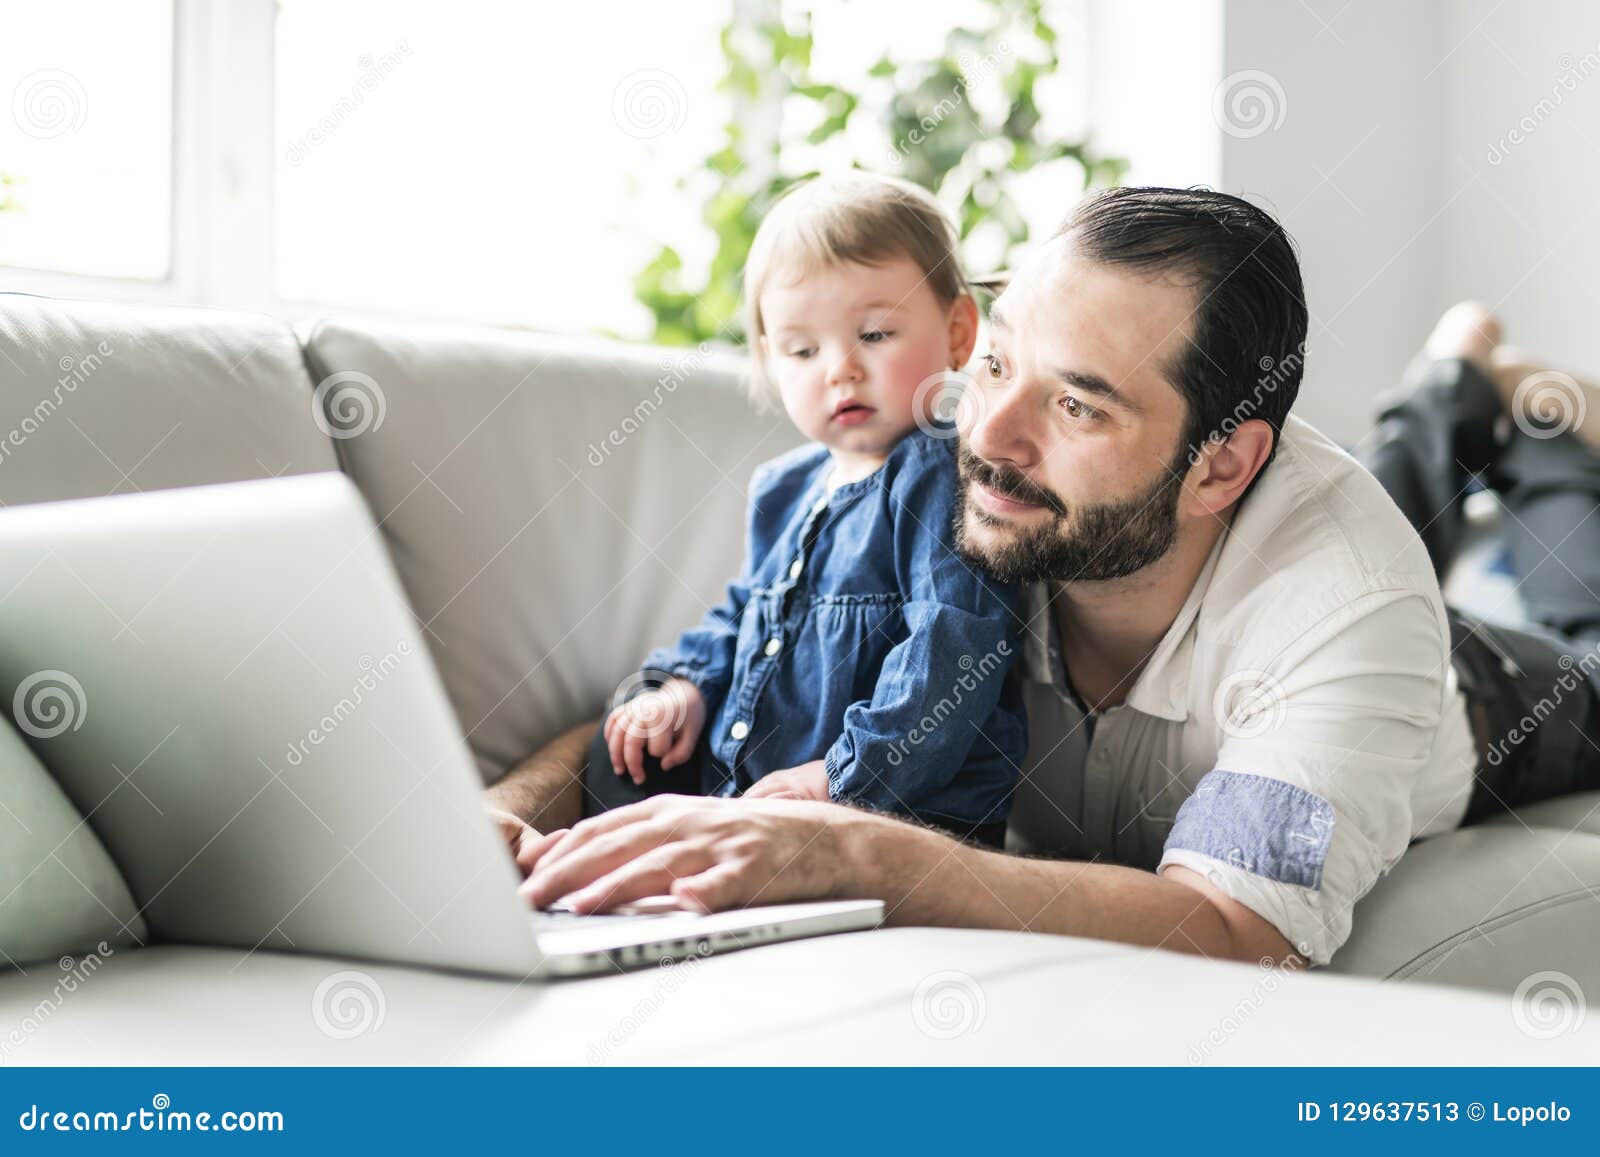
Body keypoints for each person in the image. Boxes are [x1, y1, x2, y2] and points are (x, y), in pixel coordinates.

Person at [488, 186, 1600, 969]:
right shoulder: (951, 503)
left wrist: (860, 849)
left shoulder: (1350, 606)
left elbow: (1237, 930)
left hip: (1486, 694)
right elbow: (705, 694)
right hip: (1245, 534)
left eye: (1075, 402)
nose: (990, 434)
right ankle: (1456, 377)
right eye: (993, 363)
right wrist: (506, 806)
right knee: (1386, 490)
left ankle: (1538, 428)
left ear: (1224, 462)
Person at [581, 172, 1027, 847]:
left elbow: (952, 649)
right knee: (613, 756)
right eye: (802, 350)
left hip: (892, 819)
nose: (840, 368)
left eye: (875, 334)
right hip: (757, 799)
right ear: (769, 359)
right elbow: (741, 613)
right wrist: (685, 688)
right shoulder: (784, 488)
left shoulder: (939, 474)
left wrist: (838, 775)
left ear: (959, 331)